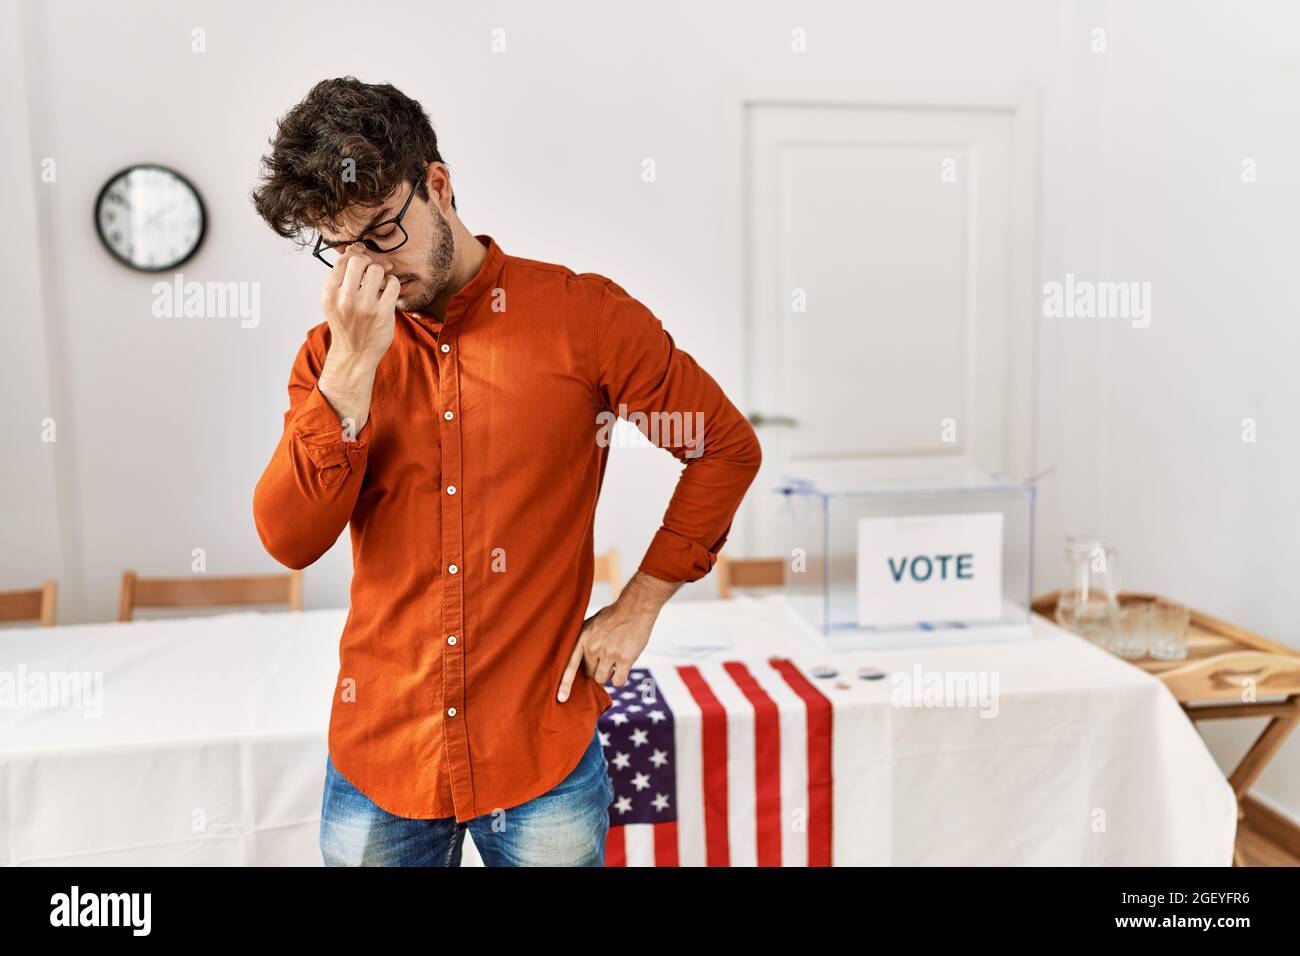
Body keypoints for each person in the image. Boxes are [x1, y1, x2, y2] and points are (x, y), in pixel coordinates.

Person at [250, 76, 762, 866]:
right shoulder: (331, 358)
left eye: (381, 234)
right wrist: (351, 373)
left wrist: (642, 603)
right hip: (381, 760)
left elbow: (723, 446)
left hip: (541, 757)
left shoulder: (582, 320)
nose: (366, 272)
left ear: (439, 186)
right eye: (338, 246)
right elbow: (288, 540)